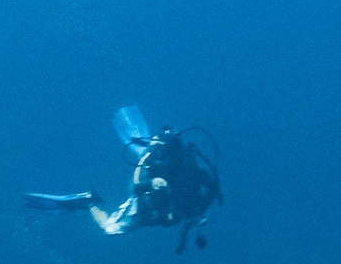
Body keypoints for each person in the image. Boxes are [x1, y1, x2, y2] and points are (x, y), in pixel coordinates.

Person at [23, 106, 222, 252]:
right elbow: (135, 189)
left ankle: (90, 201)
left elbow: (212, 191)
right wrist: (152, 184)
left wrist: (197, 224)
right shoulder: (164, 166)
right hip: (146, 207)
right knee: (110, 229)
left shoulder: (191, 168)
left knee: (113, 230)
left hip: (159, 213)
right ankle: (88, 201)